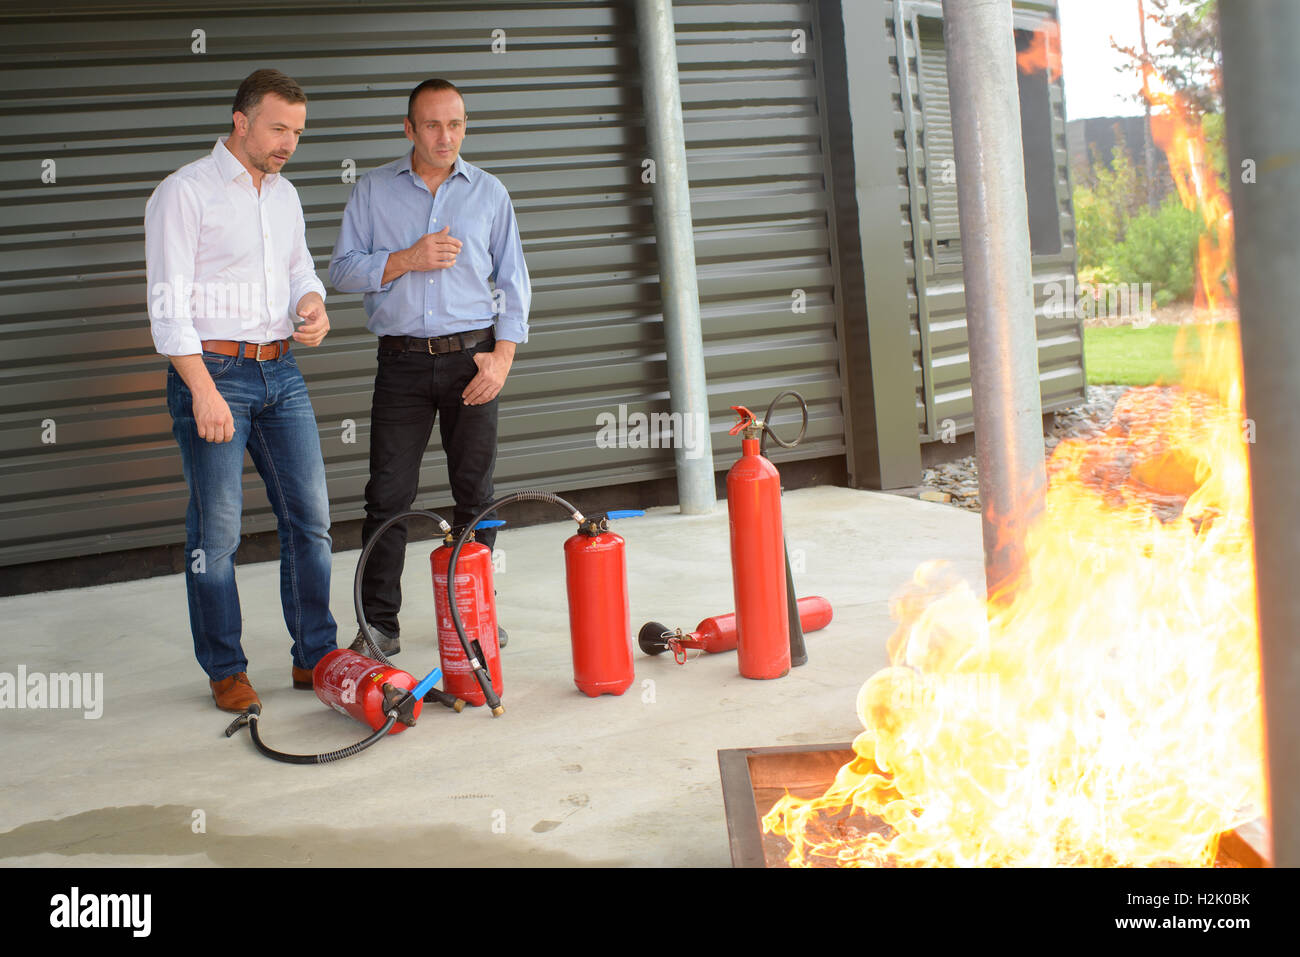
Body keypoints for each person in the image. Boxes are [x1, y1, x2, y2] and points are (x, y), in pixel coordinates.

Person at [145, 69, 338, 713]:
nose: (289, 143)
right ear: (241, 120)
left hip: (281, 372)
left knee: (311, 521)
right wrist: (200, 389)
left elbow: (299, 268)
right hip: (214, 373)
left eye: (298, 133)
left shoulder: (283, 195)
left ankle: (316, 657)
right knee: (217, 535)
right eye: (279, 128)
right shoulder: (184, 193)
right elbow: (169, 307)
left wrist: (312, 304)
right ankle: (225, 668)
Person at [329, 78, 530, 656]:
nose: (447, 136)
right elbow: (341, 270)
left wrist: (503, 358)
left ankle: (473, 617)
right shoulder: (373, 191)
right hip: (402, 364)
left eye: (457, 123)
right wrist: (406, 259)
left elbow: (514, 283)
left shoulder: (490, 193)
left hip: (474, 360)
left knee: (477, 494)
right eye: (434, 125)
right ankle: (379, 627)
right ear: (409, 128)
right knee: (387, 497)